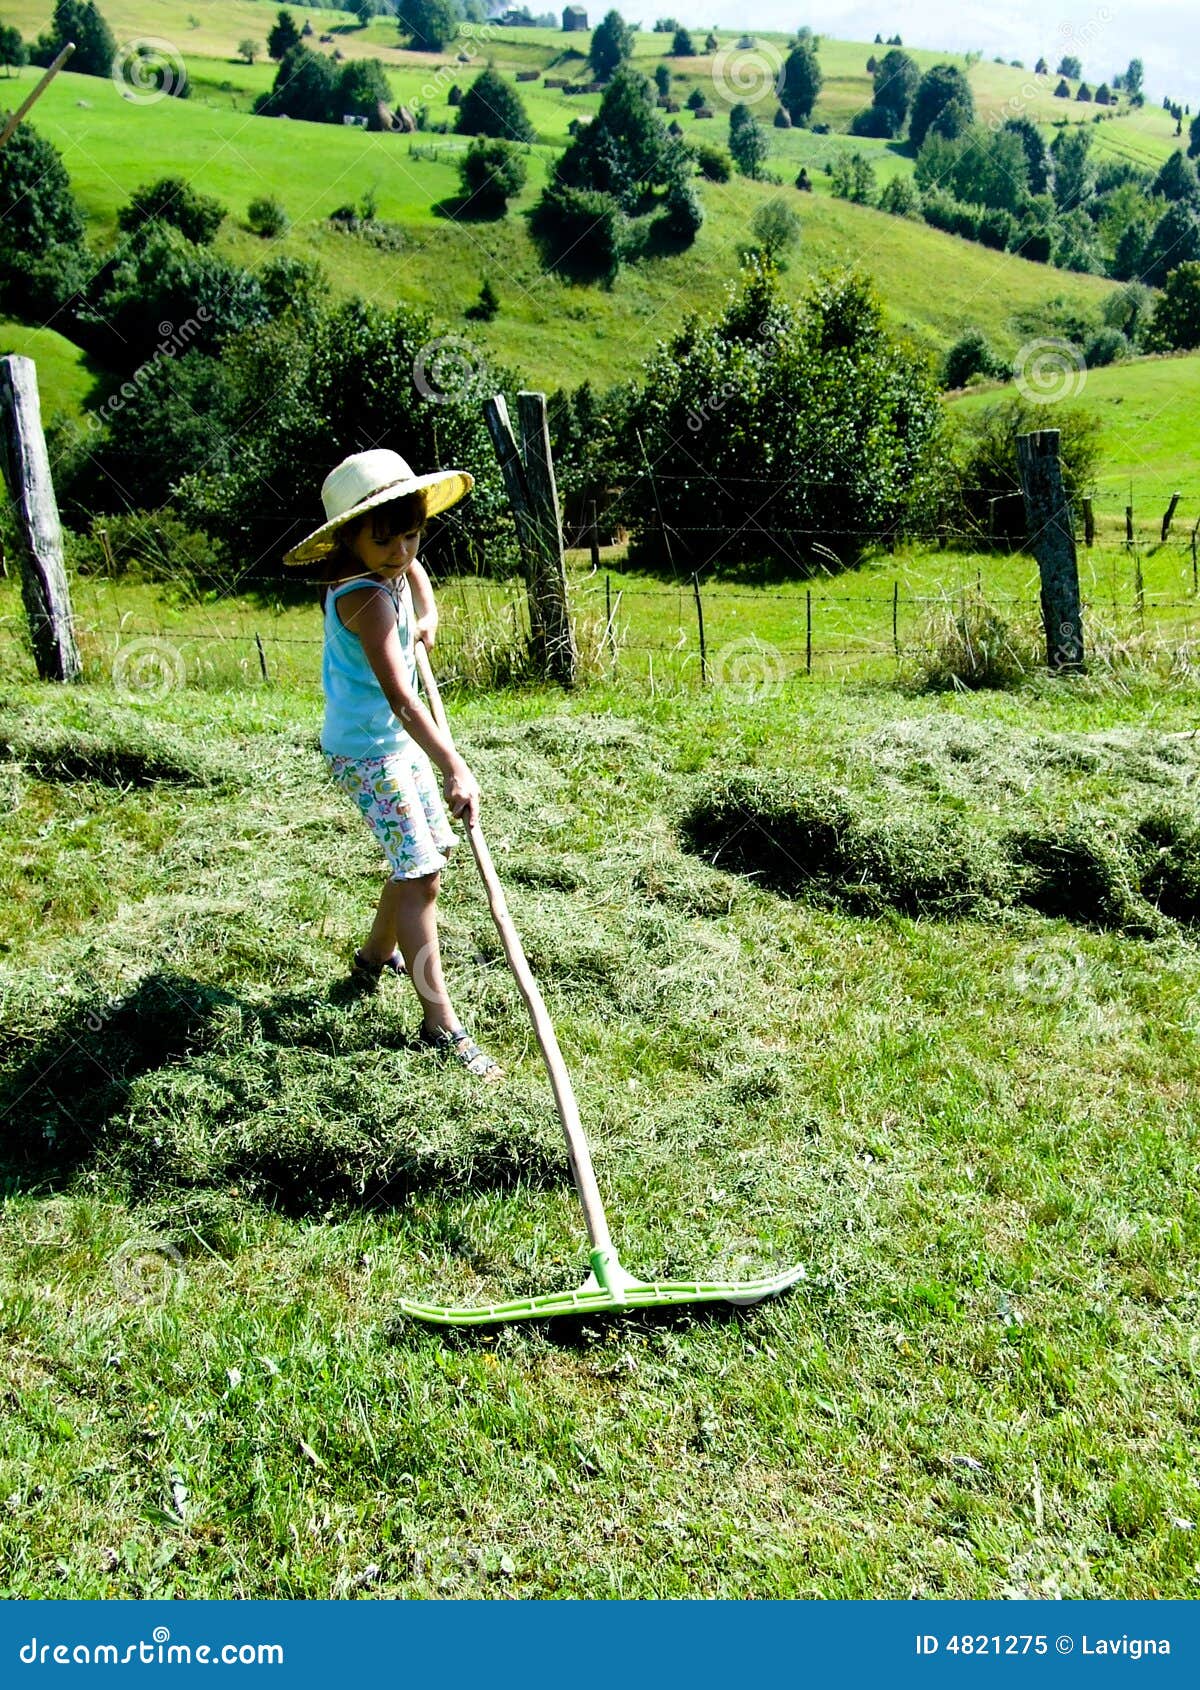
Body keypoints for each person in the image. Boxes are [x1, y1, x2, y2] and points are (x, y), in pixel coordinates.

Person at [284, 448, 502, 1081]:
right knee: (424, 874)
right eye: (384, 542)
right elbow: (403, 702)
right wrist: (456, 766)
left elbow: (414, 573)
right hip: (368, 748)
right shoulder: (363, 599)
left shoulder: (392, 566)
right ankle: (441, 1023)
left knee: (425, 857)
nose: (401, 553)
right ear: (347, 538)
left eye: (410, 535)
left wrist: (427, 618)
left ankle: (376, 955)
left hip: (393, 743)